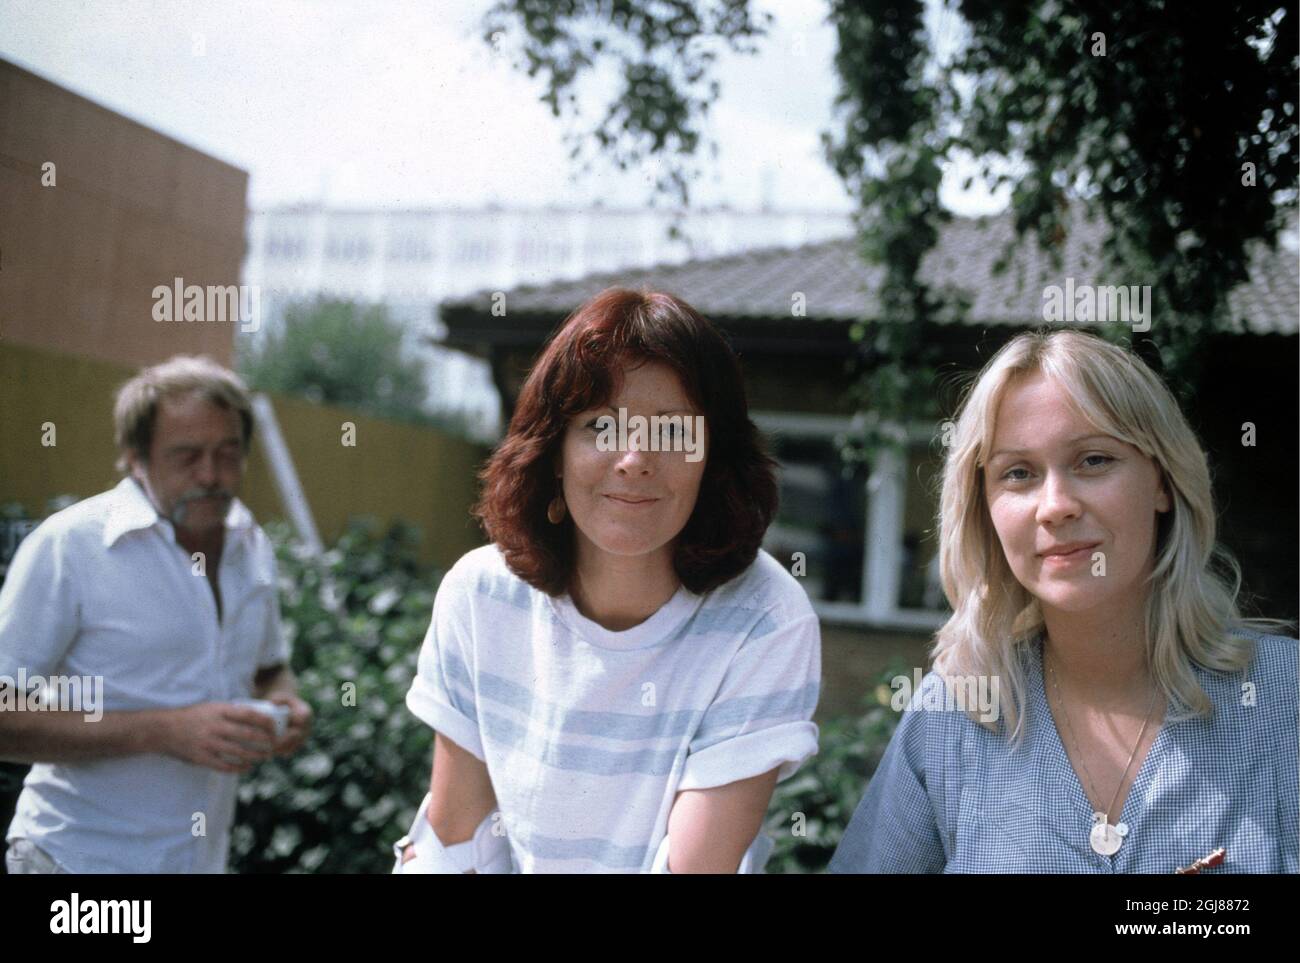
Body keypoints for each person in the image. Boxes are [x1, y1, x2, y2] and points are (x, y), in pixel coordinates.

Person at [830, 329, 1297, 874]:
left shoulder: (1283, 699)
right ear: (984, 508)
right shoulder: (957, 712)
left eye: (1093, 460)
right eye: (1018, 474)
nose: (1055, 506)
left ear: (1163, 483)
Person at [394, 287, 821, 873]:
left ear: (713, 459)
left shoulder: (765, 617)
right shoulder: (480, 595)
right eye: (601, 425)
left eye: (673, 432)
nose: (634, 458)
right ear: (554, 449)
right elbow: (453, 840)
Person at [0, 355, 312, 873]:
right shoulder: (72, 546)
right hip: (76, 861)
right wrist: (164, 731)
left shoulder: (249, 542)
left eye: (228, 453)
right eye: (187, 456)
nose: (211, 475)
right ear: (135, 456)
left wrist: (286, 704)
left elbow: (268, 667)